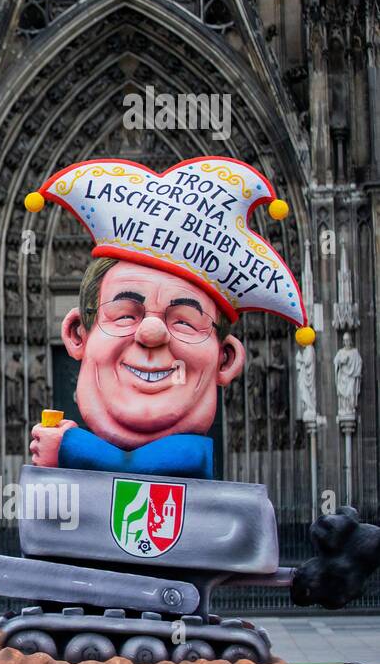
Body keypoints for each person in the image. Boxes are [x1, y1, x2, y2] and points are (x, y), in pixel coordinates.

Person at [23, 156, 312, 480]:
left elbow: (141, 465)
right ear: (77, 334)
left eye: (184, 321)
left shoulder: (191, 452)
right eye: (124, 315)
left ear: (226, 359)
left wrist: (68, 445)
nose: (151, 332)